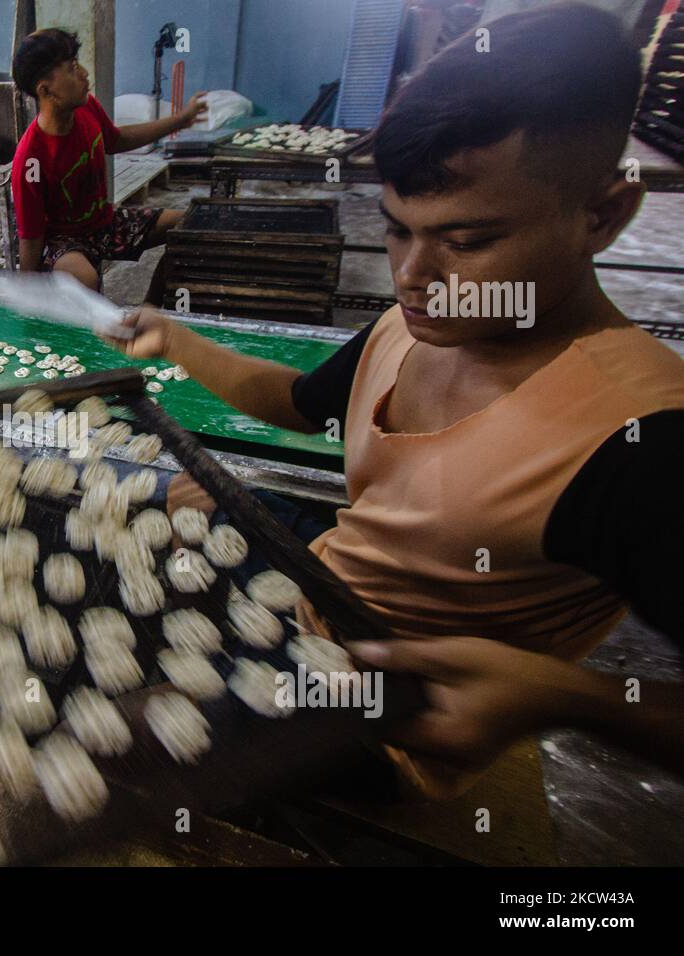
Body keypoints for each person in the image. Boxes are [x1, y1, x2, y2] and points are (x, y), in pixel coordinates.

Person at [105, 5, 684, 794]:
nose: (411, 275)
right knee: (120, 502)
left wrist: (573, 697)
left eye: (466, 241)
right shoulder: (412, 328)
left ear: (603, 214)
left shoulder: (637, 440)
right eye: (397, 229)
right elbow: (301, 402)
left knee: (123, 744)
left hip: (385, 711)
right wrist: (173, 339)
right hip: (321, 579)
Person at [11, 28, 207, 303]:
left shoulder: (87, 107)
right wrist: (25, 297)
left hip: (105, 223)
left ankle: (149, 309)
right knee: (84, 279)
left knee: (191, 225)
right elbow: (31, 237)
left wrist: (180, 120)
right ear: (47, 90)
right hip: (64, 241)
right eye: (71, 68)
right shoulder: (31, 158)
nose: (84, 74)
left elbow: (116, 139)